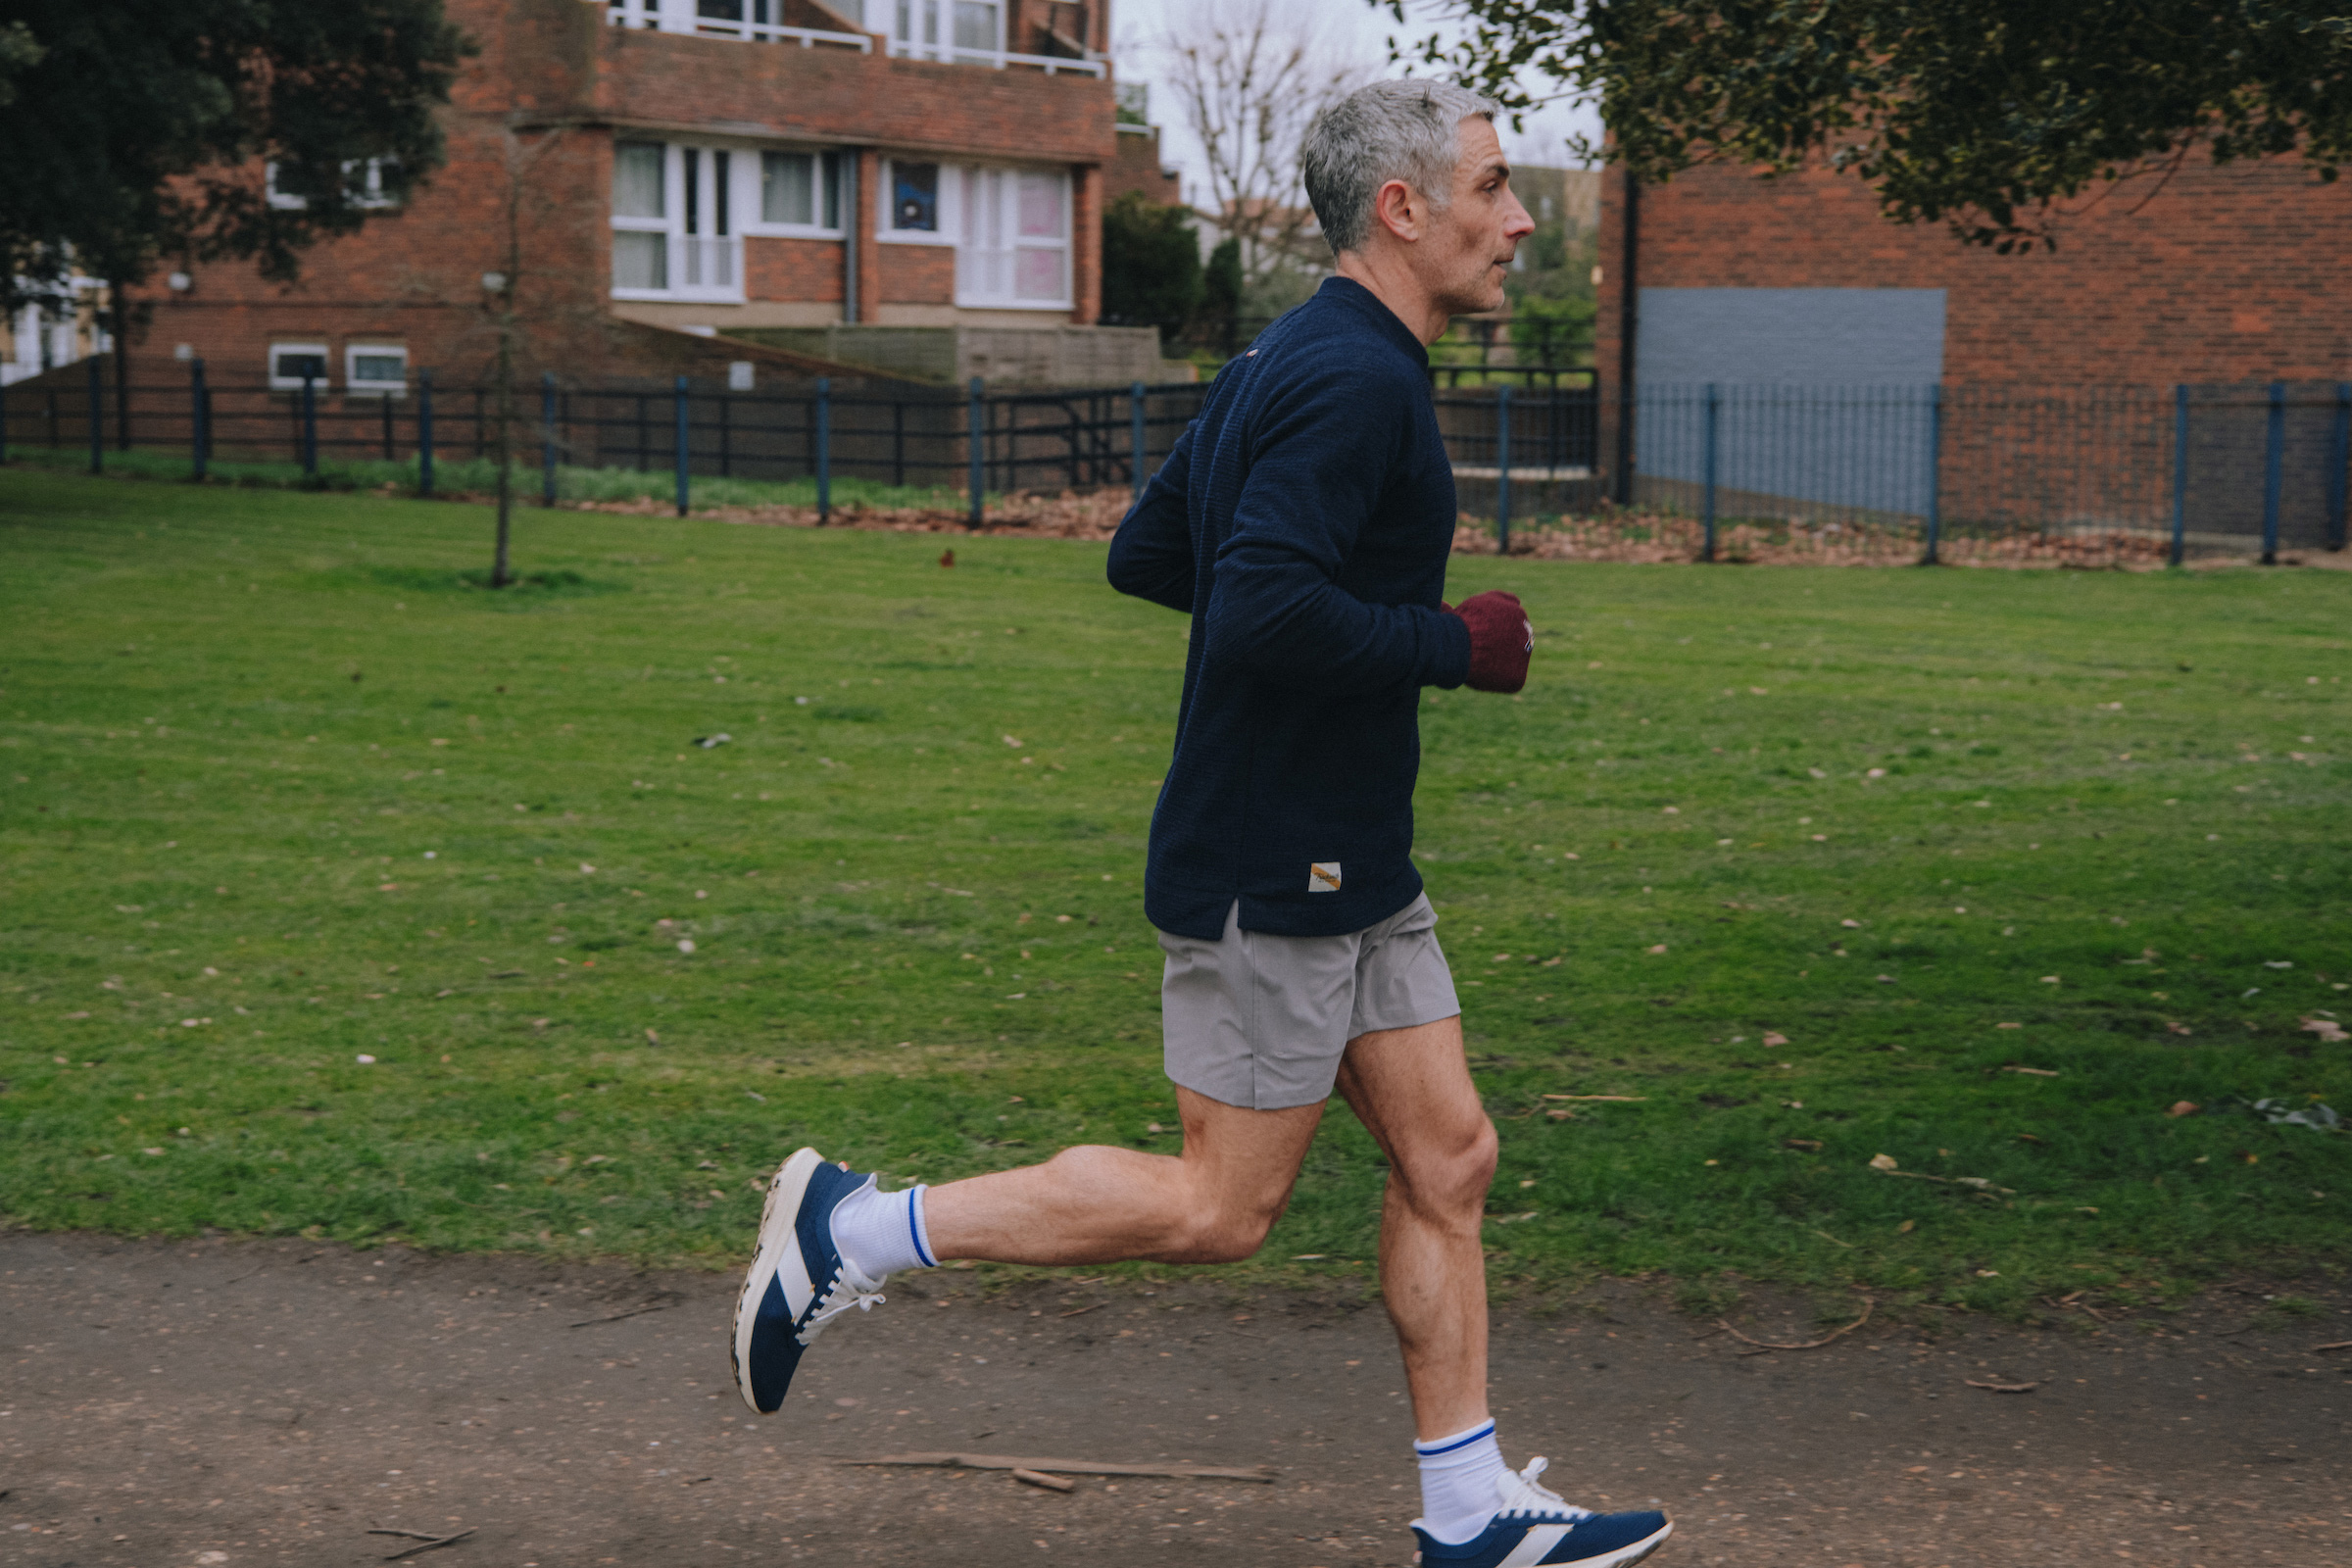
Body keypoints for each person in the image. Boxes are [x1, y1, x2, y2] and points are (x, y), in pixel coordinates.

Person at [729, 79, 1673, 1568]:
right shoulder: (1353, 380)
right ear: (1403, 207)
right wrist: (1453, 644)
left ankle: (1469, 1509)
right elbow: (1258, 602)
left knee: (1451, 1159)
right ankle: (850, 1228)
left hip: (1351, 848)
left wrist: (1310, 635)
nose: (1519, 218)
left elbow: (1149, 554)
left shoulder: (1289, 358)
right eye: (1494, 187)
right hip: (1270, 864)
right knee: (1224, 1209)